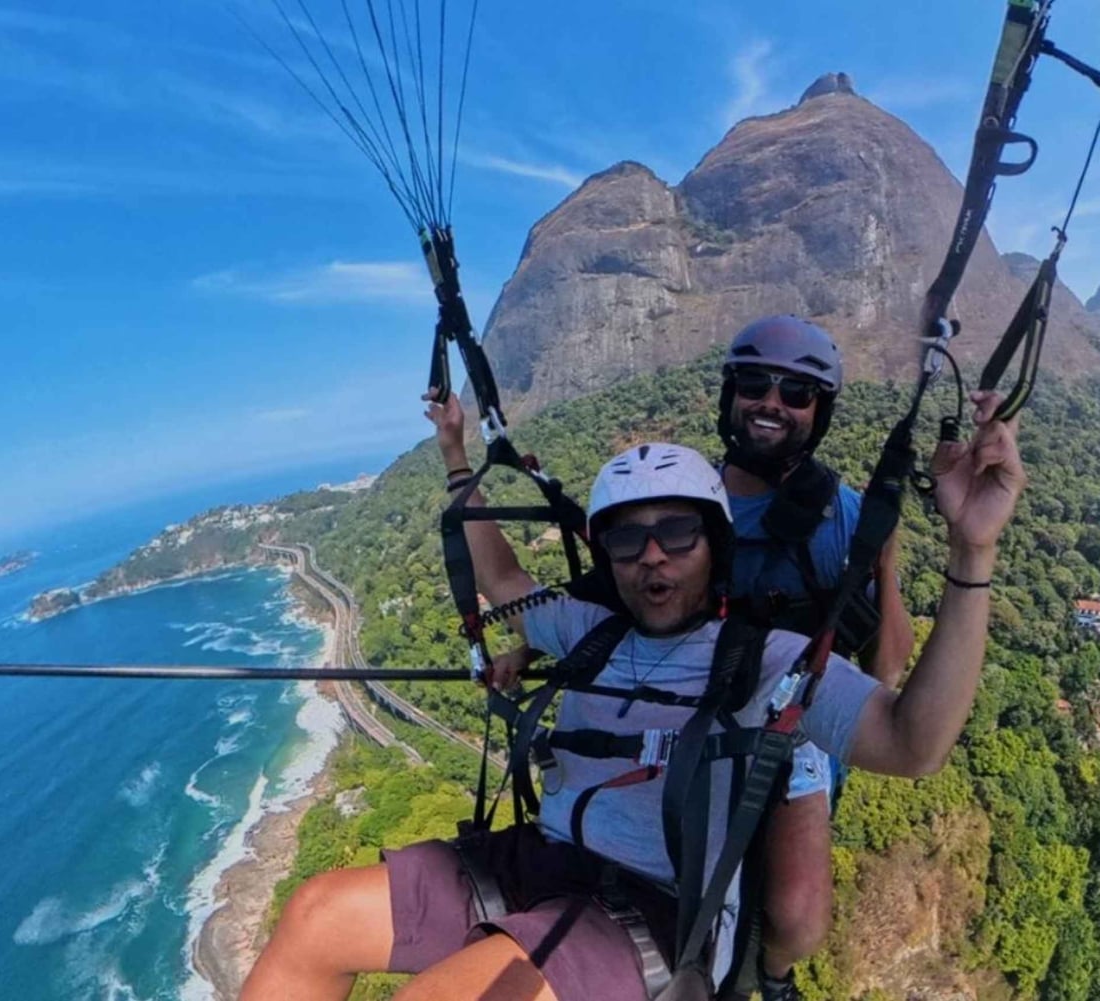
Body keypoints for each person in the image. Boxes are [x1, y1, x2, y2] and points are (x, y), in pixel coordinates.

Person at [240, 388, 1023, 1001]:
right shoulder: (591, 629)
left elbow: (914, 742)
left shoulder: (761, 661)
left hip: (646, 907)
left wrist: (972, 549)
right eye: (627, 538)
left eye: (677, 533)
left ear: (714, 549)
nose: (653, 556)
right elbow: (504, 579)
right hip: (539, 859)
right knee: (314, 915)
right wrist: (457, 456)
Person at [715, 315, 914, 998]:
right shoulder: (688, 506)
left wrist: (885, 560)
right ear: (731, 394)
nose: (772, 401)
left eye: (797, 392)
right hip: (700, 731)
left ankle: (771, 980)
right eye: (755, 383)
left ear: (818, 410)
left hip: (793, 744)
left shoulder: (841, 516)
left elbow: (886, 668)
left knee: (794, 920)